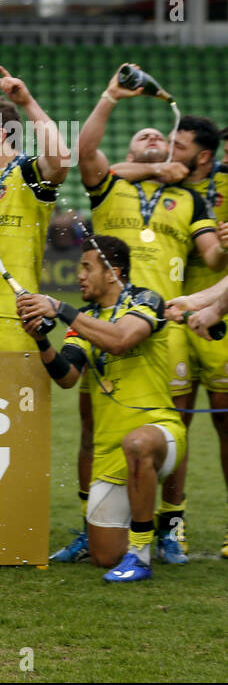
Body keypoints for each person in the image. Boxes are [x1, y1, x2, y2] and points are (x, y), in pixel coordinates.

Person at [65, 68, 228, 564]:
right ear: (131, 151)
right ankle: (91, 523)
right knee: (93, 428)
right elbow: (87, 150)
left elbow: (213, 258)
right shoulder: (108, 185)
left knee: (167, 430)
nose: (156, 137)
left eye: (166, 137)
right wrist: (111, 95)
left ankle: (167, 525)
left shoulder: (190, 198)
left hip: (165, 328)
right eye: (146, 134)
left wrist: (223, 246)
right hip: (107, 323)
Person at [19, 236, 183, 583]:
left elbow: (122, 339)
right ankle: (141, 528)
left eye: (87, 267)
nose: (80, 275)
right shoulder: (86, 320)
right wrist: (41, 340)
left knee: (137, 445)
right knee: (103, 556)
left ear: (113, 272)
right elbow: (67, 377)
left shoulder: (146, 300)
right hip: (109, 453)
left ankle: (140, 555)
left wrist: (60, 308)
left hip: (159, 433)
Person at [106, 113, 228, 561]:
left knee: (223, 422)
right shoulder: (153, 185)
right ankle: (167, 522)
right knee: (175, 424)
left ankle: (189, 523)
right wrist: (159, 167)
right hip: (173, 318)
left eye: (180, 146)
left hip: (212, 314)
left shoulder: (208, 193)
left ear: (203, 156)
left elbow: (217, 259)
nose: (171, 150)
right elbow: (108, 171)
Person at [0, 67, 70, 352]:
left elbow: (62, 159)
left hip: (12, 312)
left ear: (0, 135)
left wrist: (27, 102)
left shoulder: (28, 174)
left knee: (7, 395)